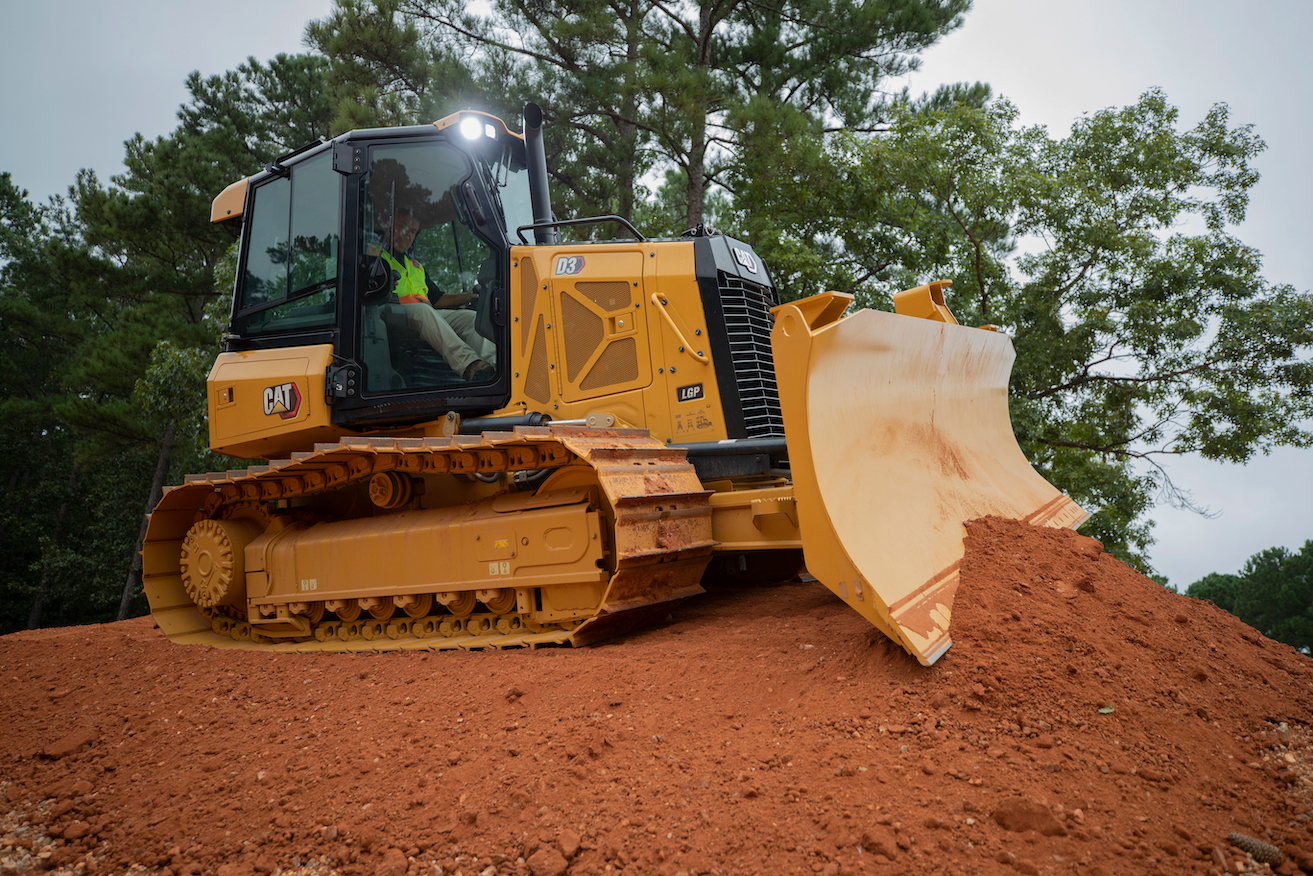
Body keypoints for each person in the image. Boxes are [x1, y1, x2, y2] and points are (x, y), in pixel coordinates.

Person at [372, 206, 496, 383]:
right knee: (423, 311)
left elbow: (437, 299)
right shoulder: (374, 255)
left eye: (413, 231)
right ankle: (470, 366)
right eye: (402, 226)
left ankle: (494, 367)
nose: (407, 233)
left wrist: (468, 296)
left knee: (470, 319)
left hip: (425, 314)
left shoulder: (416, 266)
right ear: (387, 224)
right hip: (390, 315)